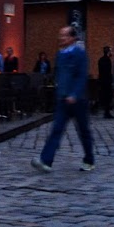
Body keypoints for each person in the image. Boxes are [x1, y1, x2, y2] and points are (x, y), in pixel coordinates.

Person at [32, 26, 95, 173]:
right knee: (56, 130)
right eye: (60, 35)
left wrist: (75, 94)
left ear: (72, 38)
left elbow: (81, 76)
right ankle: (46, 161)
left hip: (77, 100)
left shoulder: (80, 54)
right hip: (62, 99)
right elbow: (59, 74)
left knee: (83, 131)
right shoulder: (60, 54)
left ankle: (89, 159)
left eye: (64, 36)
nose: (61, 38)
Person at [97, 45, 114, 118]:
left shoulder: (101, 60)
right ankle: (107, 112)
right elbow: (107, 72)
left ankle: (106, 112)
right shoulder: (107, 60)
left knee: (106, 97)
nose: (112, 52)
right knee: (108, 97)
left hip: (103, 81)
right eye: (111, 51)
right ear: (108, 52)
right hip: (106, 81)